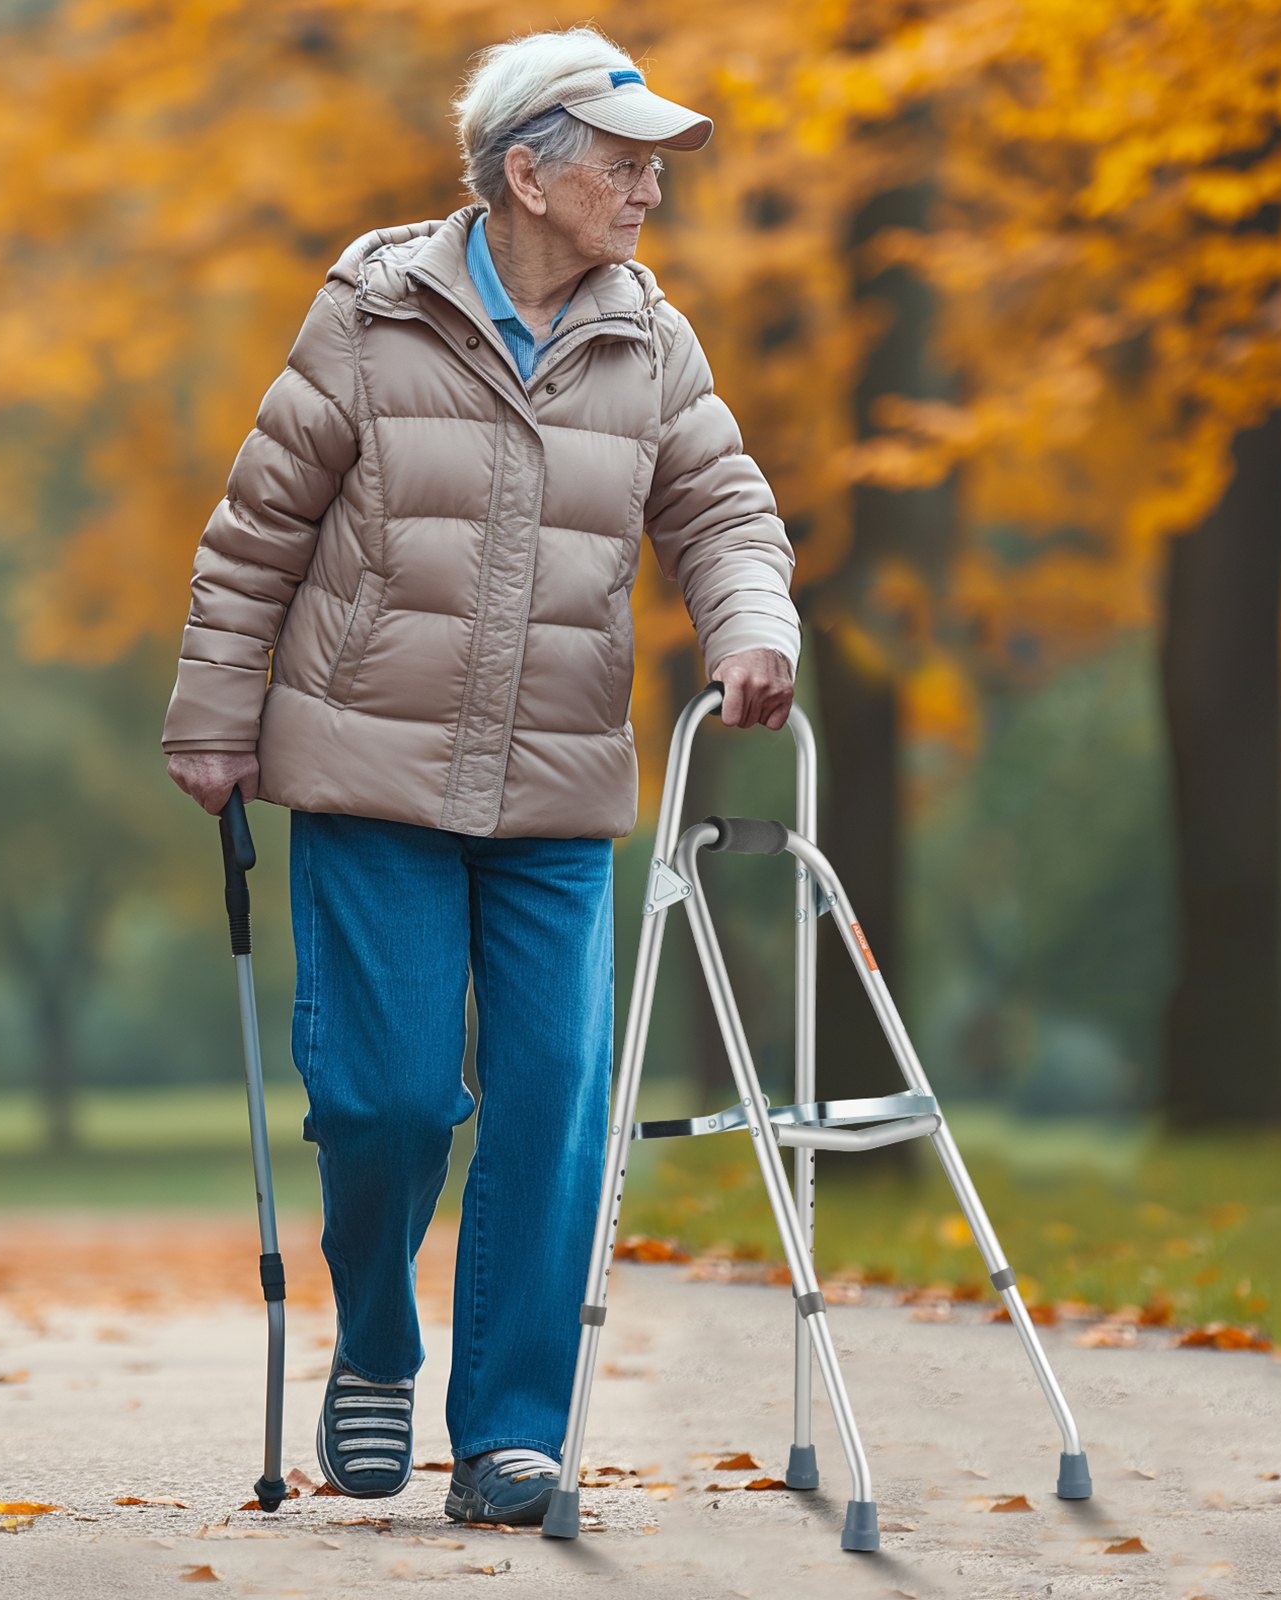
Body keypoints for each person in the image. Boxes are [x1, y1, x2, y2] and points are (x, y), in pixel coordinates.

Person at [161, 24, 801, 1527]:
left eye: (652, 167)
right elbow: (257, 531)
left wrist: (752, 626)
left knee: (553, 1109)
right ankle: (376, 1342)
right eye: (624, 164)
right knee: (385, 1100)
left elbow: (725, 510)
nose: (649, 189)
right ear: (528, 172)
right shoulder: (372, 313)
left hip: (557, 792)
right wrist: (214, 715)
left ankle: (512, 1431)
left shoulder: (652, 341)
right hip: (369, 772)